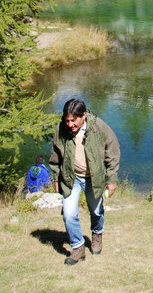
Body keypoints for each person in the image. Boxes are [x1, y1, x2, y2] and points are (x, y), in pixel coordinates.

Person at [49, 98, 120, 266]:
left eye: (73, 120)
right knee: (68, 214)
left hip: (93, 179)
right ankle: (78, 247)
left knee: (96, 212)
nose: (70, 124)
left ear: (84, 116)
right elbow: (54, 156)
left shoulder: (99, 128)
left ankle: (97, 235)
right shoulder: (61, 130)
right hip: (70, 178)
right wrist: (56, 178)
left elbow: (113, 152)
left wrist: (111, 180)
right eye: (67, 120)